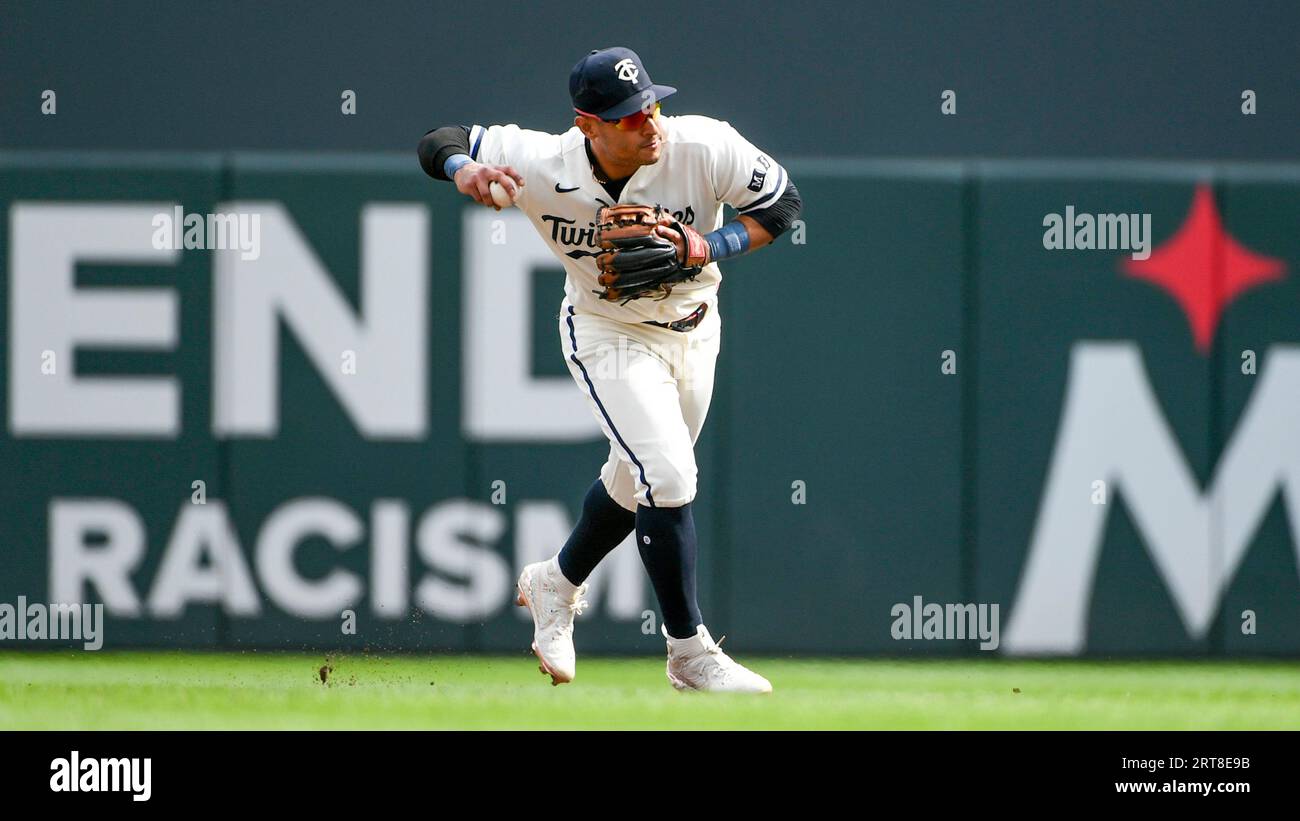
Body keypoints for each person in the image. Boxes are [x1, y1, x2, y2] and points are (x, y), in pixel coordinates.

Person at [418, 46, 801, 692]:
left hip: (695, 329)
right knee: (669, 472)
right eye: (628, 116)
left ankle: (554, 583)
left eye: (651, 105)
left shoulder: (702, 145)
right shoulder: (543, 161)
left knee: (635, 484)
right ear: (587, 124)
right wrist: (464, 170)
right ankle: (688, 650)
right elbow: (442, 138)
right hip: (606, 331)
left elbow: (782, 206)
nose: (649, 123)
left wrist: (712, 243)